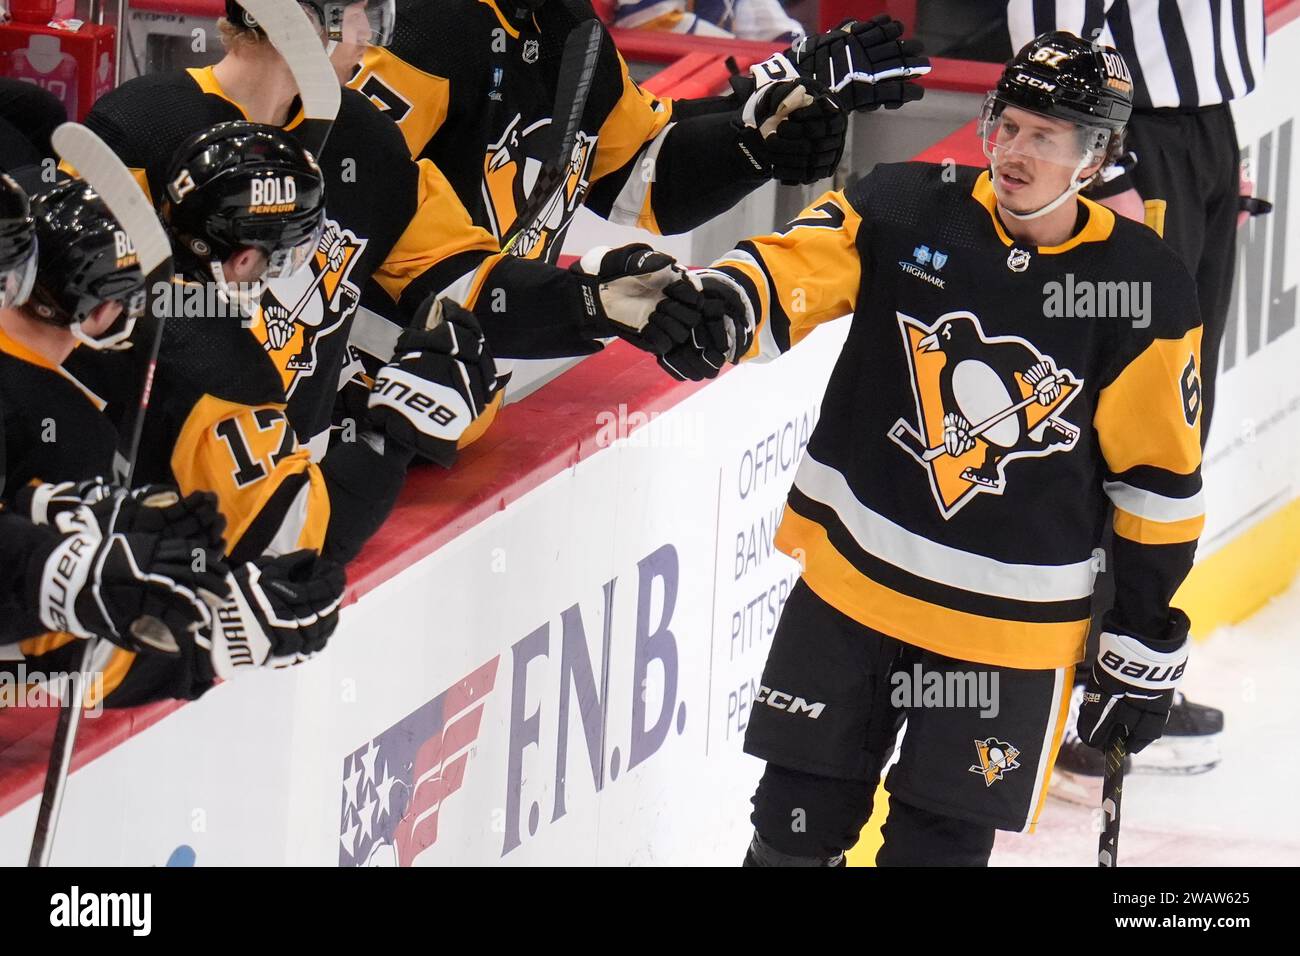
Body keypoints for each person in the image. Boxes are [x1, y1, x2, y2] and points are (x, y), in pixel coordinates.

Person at [650, 31, 1205, 865]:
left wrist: (1141, 637)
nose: (1014, 152)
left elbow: (1156, 483)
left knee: (935, 853)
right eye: (1007, 125)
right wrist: (723, 304)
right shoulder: (908, 206)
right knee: (791, 831)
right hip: (853, 602)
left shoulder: (1141, 287)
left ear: (1093, 158)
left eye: (1043, 137)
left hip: (1006, 640)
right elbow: (794, 262)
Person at [1006, 0, 1265, 778]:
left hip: (1192, 130)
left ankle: (1119, 673)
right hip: (1139, 141)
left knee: (1176, 410)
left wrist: (1213, 138)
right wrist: (1106, 161)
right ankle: (1088, 689)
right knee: (1124, 414)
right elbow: (1045, 18)